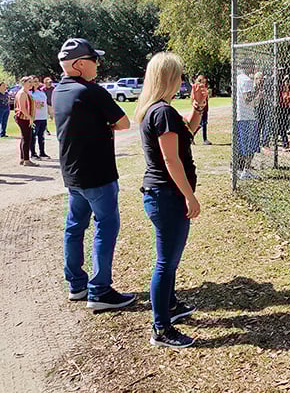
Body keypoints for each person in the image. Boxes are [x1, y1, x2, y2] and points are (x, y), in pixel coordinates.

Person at [53, 38, 136, 311]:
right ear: (78, 64)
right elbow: (123, 122)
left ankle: (77, 285)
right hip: (98, 174)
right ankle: (99, 291)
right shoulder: (92, 91)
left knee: (75, 226)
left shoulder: (59, 90)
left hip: (72, 174)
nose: (98, 64)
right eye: (93, 59)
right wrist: (106, 125)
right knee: (106, 226)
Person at [135, 52, 208, 349]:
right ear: (168, 78)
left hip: (162, 195)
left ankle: (172, 306)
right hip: (167, 196)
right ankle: (161, 329)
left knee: (170, 259)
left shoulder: (157, 109)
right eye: (178, 75)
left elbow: (187, 132)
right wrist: (189, 196)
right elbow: (170, 158)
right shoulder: (162, 111)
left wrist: (198, 107)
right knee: (165, 263)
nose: (181, 81)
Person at [236, 58, 259, 179]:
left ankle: (239, 169)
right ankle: (246, 169)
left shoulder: (238, 78)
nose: (254, 68)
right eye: (252, 66)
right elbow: (247, 98)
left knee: (241, 144)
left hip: (240, 116)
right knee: (250, 145)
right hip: (247, 116)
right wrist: (258, 91)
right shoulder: (247, 80)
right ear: (248, 67)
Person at [14, 76, 36, 166]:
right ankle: (26, 160)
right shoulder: (22, 93)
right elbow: (22, 108)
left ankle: (23, 158)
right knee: (27, 138)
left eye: (32, 82)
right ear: (23, 83)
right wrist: (30, 118)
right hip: (23, 118)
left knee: (25, 138)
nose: (31, 84)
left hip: (25, 118)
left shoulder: (27, 92)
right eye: (29, 82)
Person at [30, 76, 50, 159]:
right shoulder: (30, 93)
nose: (36, 83)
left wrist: (49, 113)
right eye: (34, 81)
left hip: (43, 117)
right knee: (33, 136)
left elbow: (45, 104)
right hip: (35, 117)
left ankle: (42, 152)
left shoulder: (41, 92)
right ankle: (33, 153)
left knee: (41, 136)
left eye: (37, 81)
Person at [278, 75, 290, 148]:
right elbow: (282, 98)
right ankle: (285, 142)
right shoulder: (281, 88)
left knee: (286, 125)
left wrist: (286, 98)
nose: (287, 83)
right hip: (282, 108)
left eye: (288, 81)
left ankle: (286, 141)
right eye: (286, 81)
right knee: (282, 125)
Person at [195, 75, 211, 145]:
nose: (204, 82)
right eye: (203, 81)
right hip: (201, 108)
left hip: (205, 108)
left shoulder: (204, 88)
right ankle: (204, 139)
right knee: (202, 124)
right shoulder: (198, 88)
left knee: (201, 124)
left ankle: (191, 137)